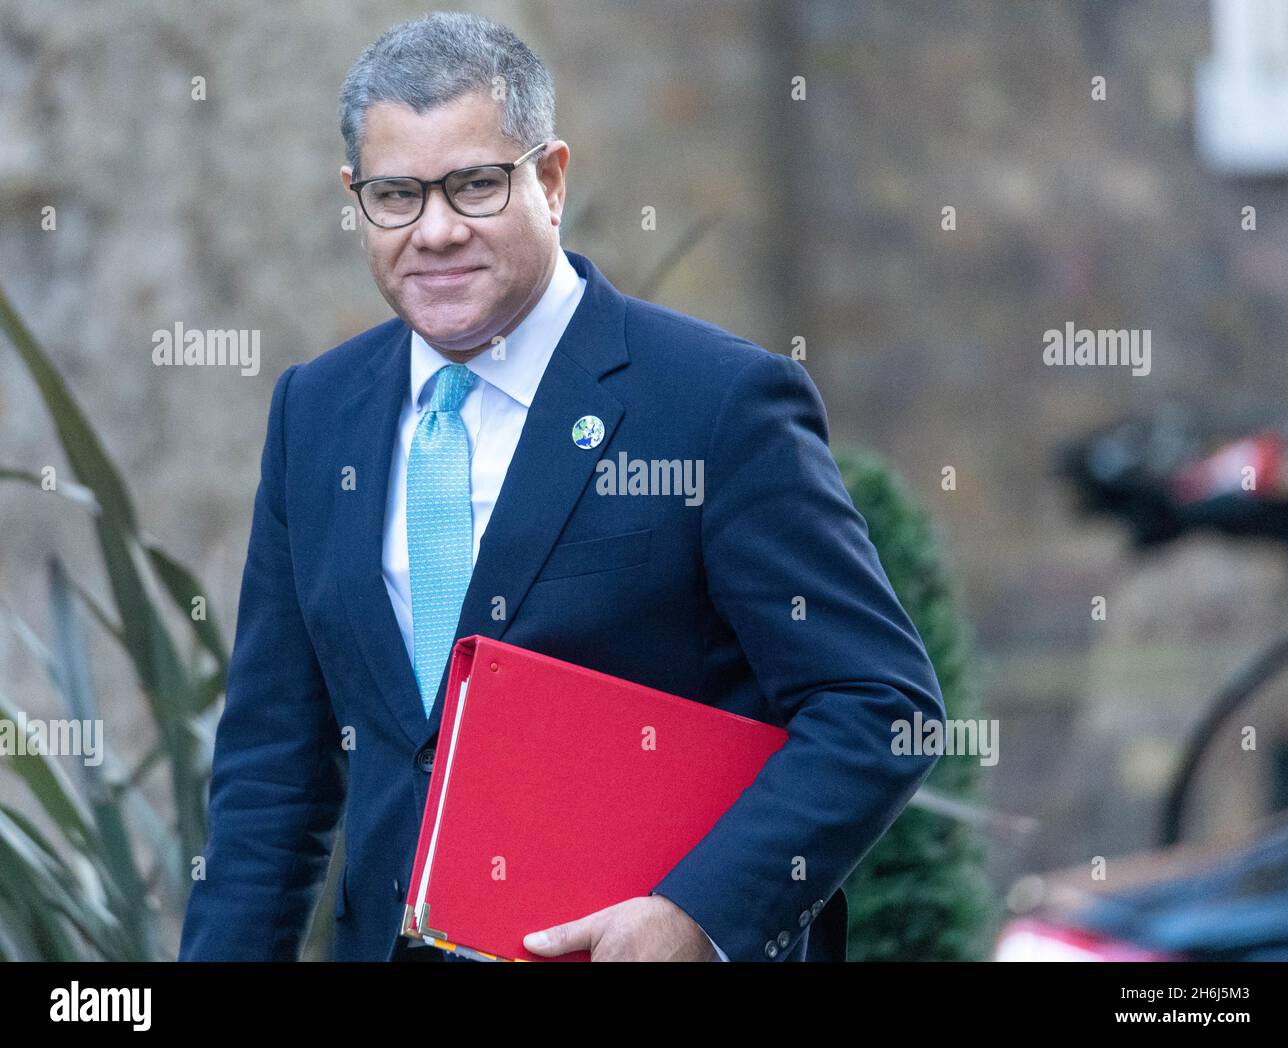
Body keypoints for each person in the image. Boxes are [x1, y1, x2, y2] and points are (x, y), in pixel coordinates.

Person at [178, 10, 945, 964]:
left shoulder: (714, 403)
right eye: (397, 195)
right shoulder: (315, 414)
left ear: (550, 177)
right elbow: (272, 774)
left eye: (474, 184)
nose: (438, 230)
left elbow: (878, 704)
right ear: (355, 198)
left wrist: (695, 915)